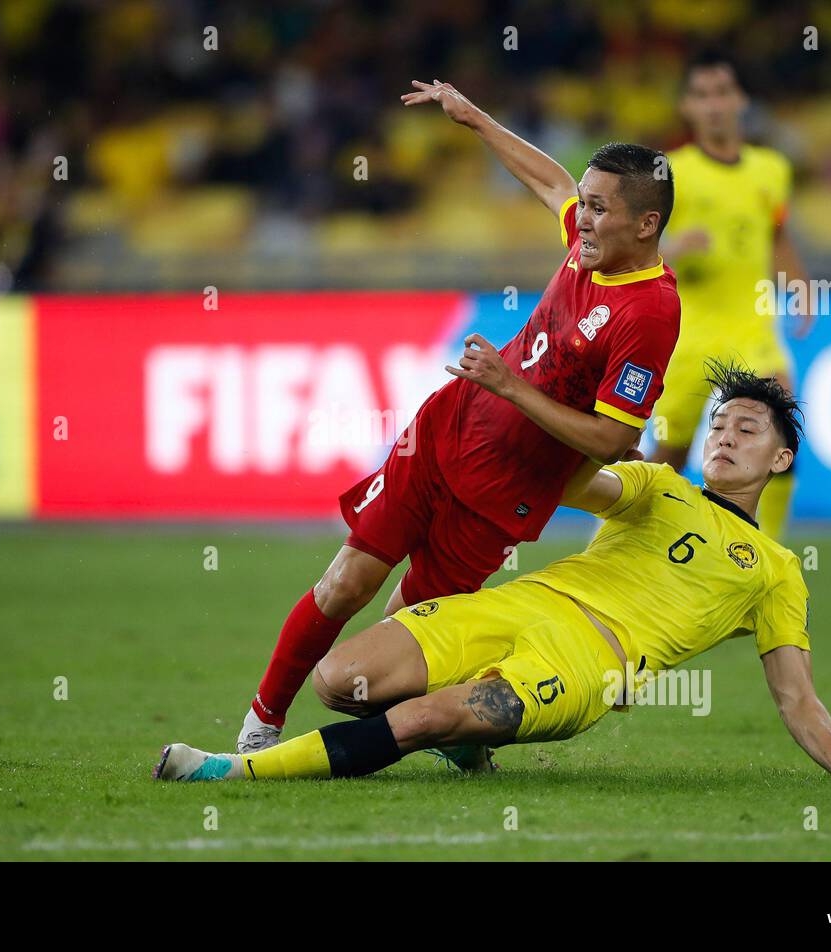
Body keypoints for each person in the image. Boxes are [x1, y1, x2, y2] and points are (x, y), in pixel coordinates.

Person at [158, 363, 831, 784]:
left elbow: (796, 696)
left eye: (747, 429)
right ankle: (463, 739)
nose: (726, 436)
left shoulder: (775, 570)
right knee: (338, 681)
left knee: (420, 718)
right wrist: (556, 417)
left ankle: (229, 773)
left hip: (587, 660)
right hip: (519, 605)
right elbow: (579, 487)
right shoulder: (659, 487)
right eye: (720, 424)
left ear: (780, 460)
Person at [234, 79, 680, 755]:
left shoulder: (648, 313)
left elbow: (617, 440)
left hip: (507, 495)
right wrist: (474, 119)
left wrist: (512, 387)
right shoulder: (591, 244)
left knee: (388, 668)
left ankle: (455, 730)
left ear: (645, 225)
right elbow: (549, 179)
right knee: (345, 579)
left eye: (597, 209)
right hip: (445, 433)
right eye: (583, 207)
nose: (580, 219)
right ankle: (259, 725)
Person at [653, 50, 814, 539]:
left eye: (722, 92)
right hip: (687, 335)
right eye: (702, 96)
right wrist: (674, 247)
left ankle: (766, 557)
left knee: (780, 428)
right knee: (664, 464)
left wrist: (799, 285)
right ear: (687, 107)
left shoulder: (771, 169)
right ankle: (606, 560)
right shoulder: (668, 172)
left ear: (740, 99)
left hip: (751, 327)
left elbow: (777, 234)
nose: (715, 105)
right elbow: (636, 241)